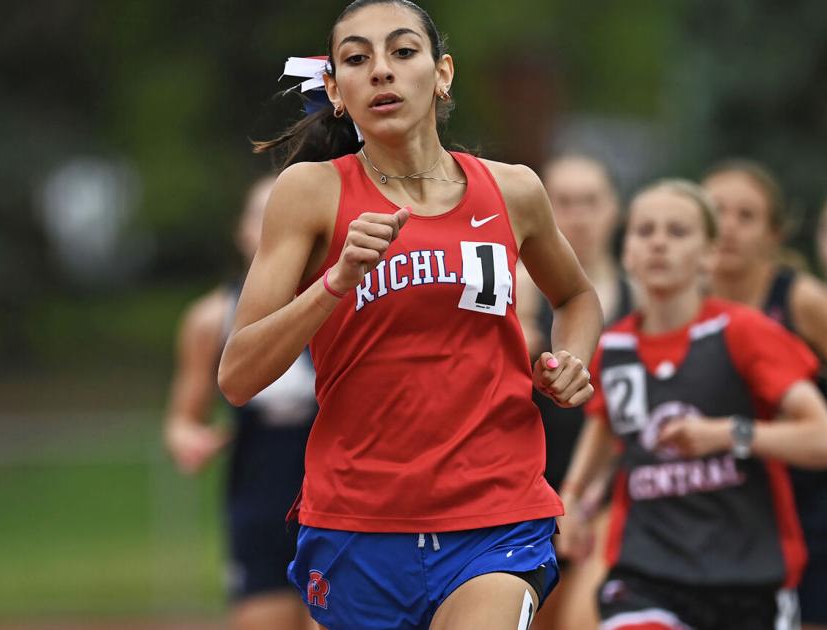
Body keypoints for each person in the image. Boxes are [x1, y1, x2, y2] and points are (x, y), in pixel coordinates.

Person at [219, 2, 604, 628]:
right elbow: (237, 375)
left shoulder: (513, 190)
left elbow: (577, 296)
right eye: (356, 59)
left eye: (402, 52)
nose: (380, 72)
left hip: (495, 516)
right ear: (338, 91)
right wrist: (335, 283)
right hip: (359, 524)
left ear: (442, 73)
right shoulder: (311, 194)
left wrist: (574, 359)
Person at [558, 179, 827, 630]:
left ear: (709, 255)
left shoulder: (743, 332)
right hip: (646, 571)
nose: (658, 242)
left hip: (746, 579)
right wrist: (574, 499)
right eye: (644, 231)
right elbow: (605, 428)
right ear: (627, 253)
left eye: (677, 232)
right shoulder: (613, 348)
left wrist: (729, 434)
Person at [703, 160, 827, 630]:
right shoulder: (679, 299)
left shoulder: (801, 300)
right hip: (716, 516)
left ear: (775, 234)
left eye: (746, 216)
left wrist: (783, 440)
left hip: (809, 517)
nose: (729, 227)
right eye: (717, 212)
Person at [163, 175, 316, 630]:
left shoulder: (347, 299)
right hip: (259, 497)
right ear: (243, 232)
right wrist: (189, 439)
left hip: (337, 492)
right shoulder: (210, 319)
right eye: (263, 214)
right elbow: (182, 419)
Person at [523, 153, 633, 630]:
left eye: (590, 202)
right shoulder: (513, 295)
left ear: (614, 209)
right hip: (527, 500)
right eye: (563, 202)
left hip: (612, 499)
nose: (578, 216)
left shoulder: (646, 299)